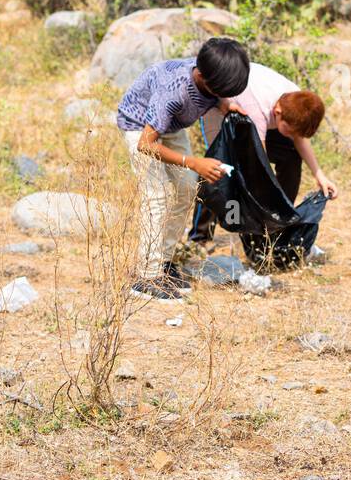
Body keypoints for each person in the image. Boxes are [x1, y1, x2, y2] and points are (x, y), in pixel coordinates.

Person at [116, 37, 250, 299]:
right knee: (157, 196)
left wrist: (225, 104)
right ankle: (147, 276)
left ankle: (163, 262)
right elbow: (146, 144)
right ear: (202, 76)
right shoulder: (173, 92)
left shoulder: (210, 77)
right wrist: (194, 162)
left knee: (187, 188)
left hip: (171, 127)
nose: (220, 94)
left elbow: (215, 96)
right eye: (219, 91)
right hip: (139, 128)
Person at [193, 62, 337, 242]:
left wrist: (319, 174)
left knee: (291, 155)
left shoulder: (297, 100)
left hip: (253, 108)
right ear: (278, 112)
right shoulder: (258, 110)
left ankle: (278, 220)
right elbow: (258, 165)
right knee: (218, 169)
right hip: (220, 110)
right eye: (290, 131)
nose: (293, 136)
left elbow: (299, 137)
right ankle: (200, 236)